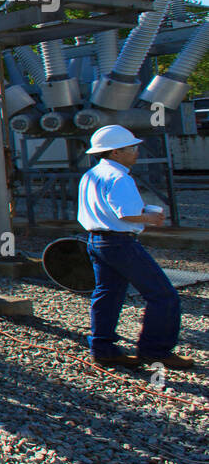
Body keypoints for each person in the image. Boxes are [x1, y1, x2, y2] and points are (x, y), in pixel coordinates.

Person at [77, 125, 191, 370]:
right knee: (163, 295)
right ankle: (155, 351)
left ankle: (103, 349)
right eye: (131, 148)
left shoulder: (91, 174)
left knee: (107, 295)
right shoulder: (119, 177)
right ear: (115, 152)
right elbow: (127, 214)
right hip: (119, 242)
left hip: (96, 240)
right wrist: (150, 218)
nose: (136, 152)